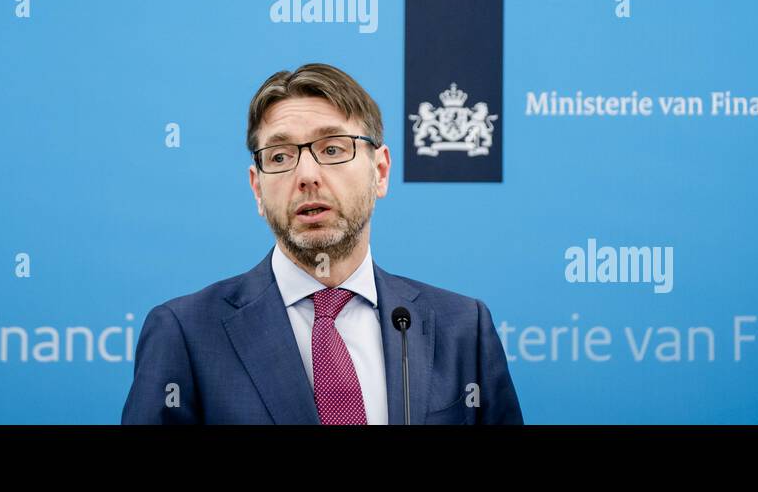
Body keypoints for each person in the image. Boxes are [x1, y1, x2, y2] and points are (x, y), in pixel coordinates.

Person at [120, 63, 523, 424]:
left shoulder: (463, 328)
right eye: (280, 157)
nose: (307, 174)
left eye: (332, 149)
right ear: (257, 188)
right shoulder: (186, 334)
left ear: (380, 172)